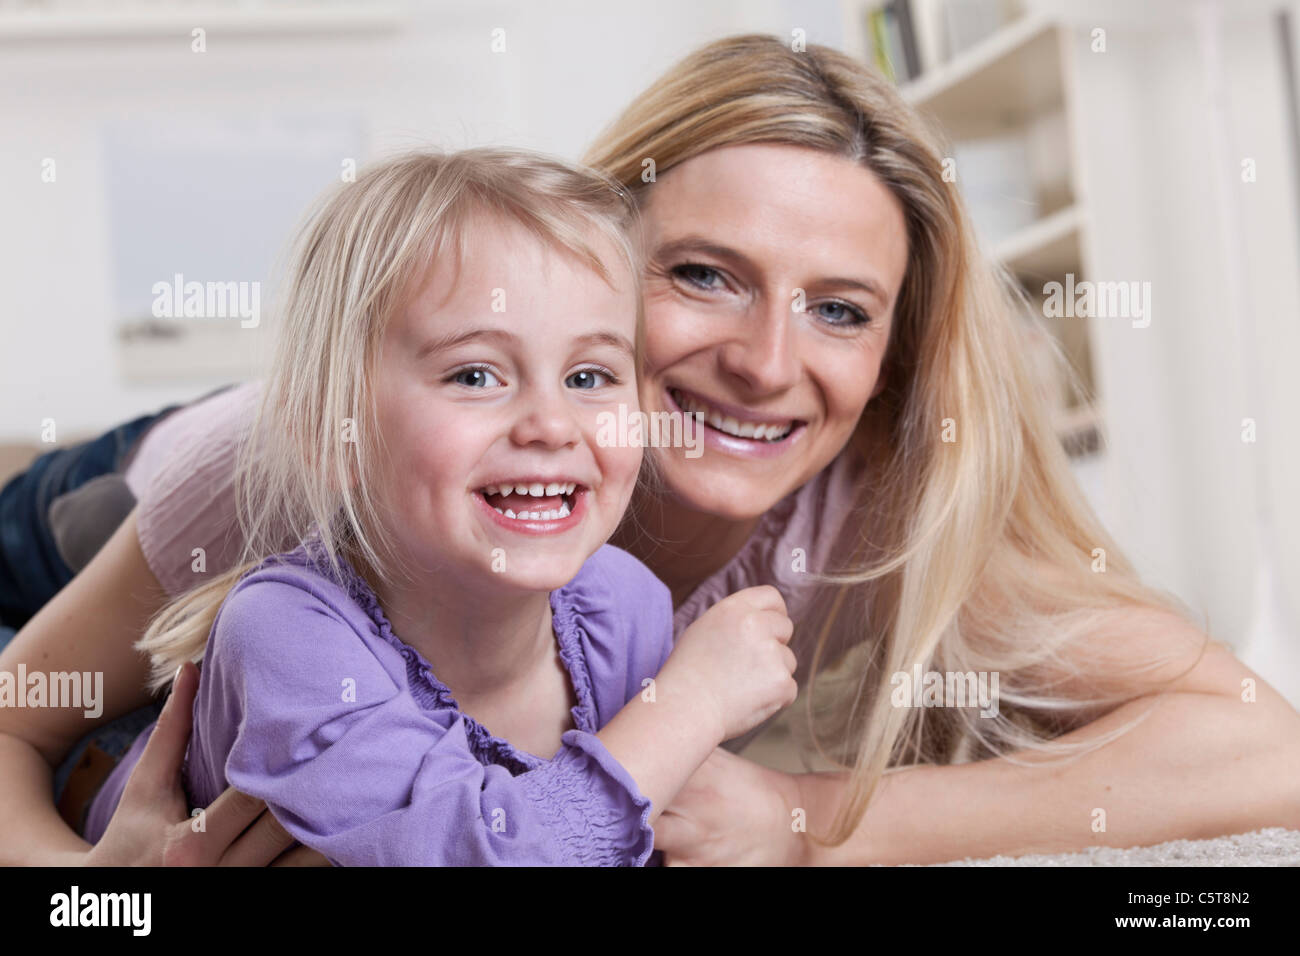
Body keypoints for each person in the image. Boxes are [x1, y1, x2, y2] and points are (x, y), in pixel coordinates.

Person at [2, 34, 1296, 867]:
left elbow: (1267, 748)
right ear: (596, 261)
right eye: (704, 276)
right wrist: (98, 903)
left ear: (894, 357)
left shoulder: (866, 507)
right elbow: (16, 721)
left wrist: (806, 822)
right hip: (98, 514)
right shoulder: (309, 460)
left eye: (840, 308)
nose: (768, 361)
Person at [86, 148, 796, 865]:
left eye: (589, 375)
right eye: (476, 374)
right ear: (336, 436)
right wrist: (688, 707)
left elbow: (618, 841)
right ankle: (90, 507)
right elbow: (474, 855)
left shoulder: (626, 606)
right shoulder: (283, 633)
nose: (552, 425)